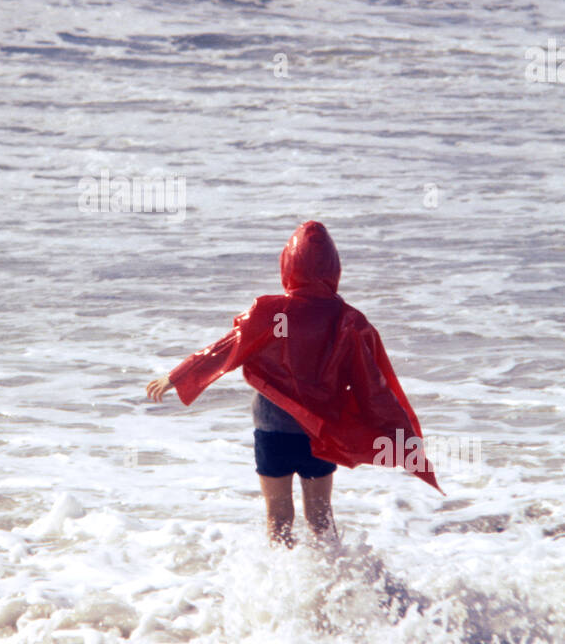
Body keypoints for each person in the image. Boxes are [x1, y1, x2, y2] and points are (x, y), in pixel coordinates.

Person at [146, 220, 440, 546]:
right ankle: (336, 582)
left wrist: (177, 376)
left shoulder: (272, 313)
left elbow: (225, 348)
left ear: (288, 264)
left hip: (272, 431)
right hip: (320, 433)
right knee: (320, 515)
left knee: (278, 516)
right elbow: (372, 387)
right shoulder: (349, 321)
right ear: (333, 268)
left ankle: (282, 590)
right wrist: (401, 439)